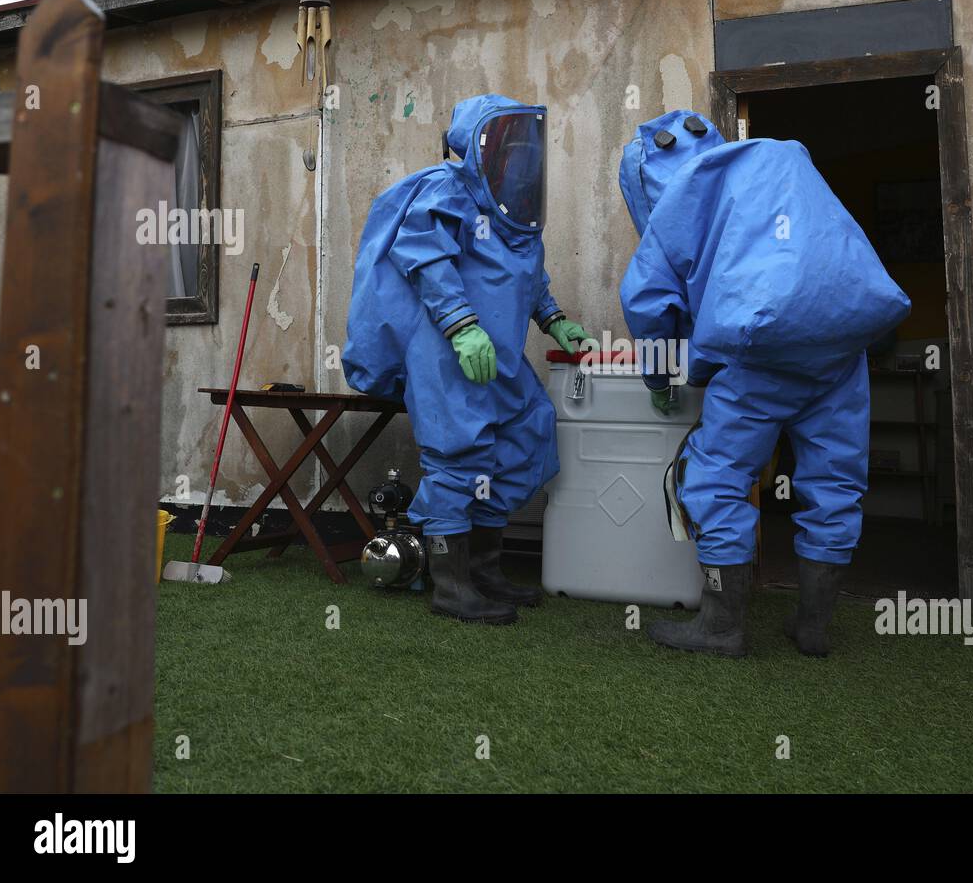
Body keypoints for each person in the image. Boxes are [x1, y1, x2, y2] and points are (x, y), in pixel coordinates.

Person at [618, 110, 910, 657]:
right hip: (842, 348)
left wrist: (660, 376)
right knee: (834, 483)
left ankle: (721, 626)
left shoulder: (679, 199)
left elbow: (648, 301)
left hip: (760, 355)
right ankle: (814, 626)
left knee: (715, 479)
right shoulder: (781, 156)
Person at [343, 94, 589, 625]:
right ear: (482, 149)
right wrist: (459, 324)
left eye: (527, 146)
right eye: (511, 146)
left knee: (529, 431)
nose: (522, 157)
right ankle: (451, 584)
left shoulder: (516, 217)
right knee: (460, 455)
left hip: (497, 352)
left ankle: (485, 570)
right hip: (449, 349)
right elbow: (425, 258)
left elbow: (526, 276)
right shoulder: (445, 190)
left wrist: (554, 318)